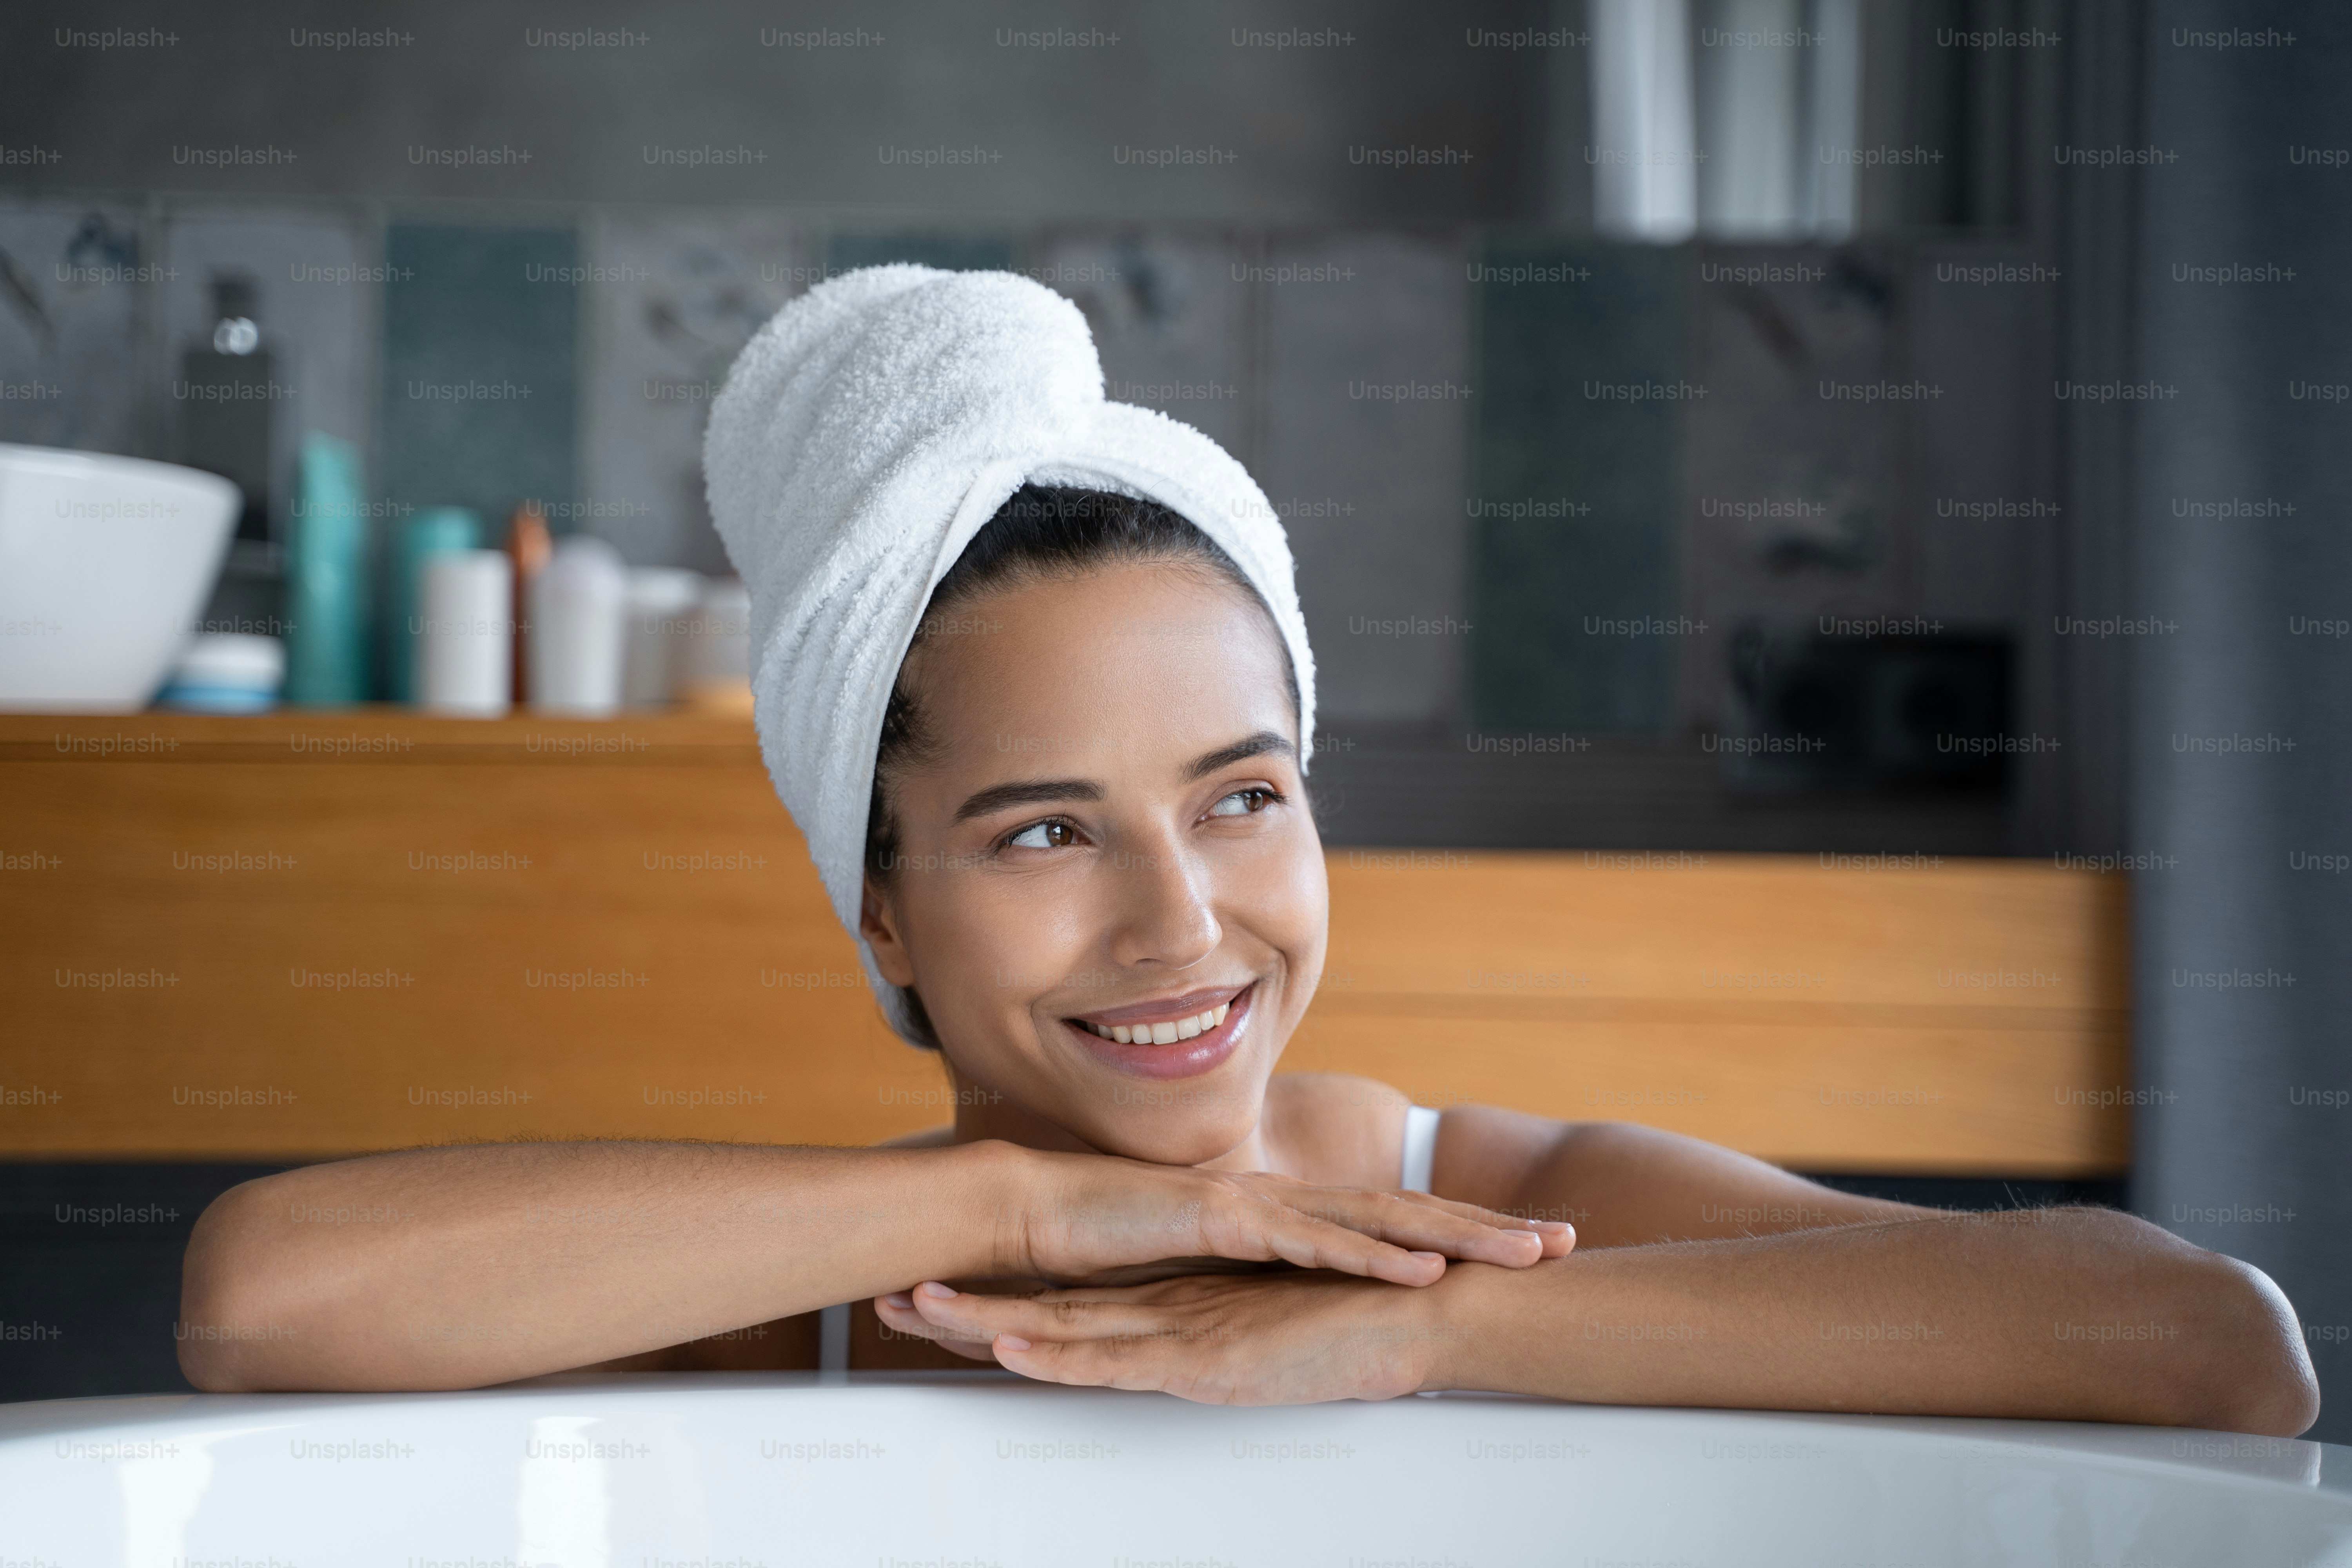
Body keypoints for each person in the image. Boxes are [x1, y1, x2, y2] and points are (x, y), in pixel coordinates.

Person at [178, 272, 2317, 1436]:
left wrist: (1426, 1337)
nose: (1183, 921)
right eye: (1045, 829)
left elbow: (2211, 1348)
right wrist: (1022, 1205)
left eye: (1242, 794)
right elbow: (264, 1305)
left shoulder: (1502, 1215)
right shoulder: (817, 1306)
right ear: (884, 908)